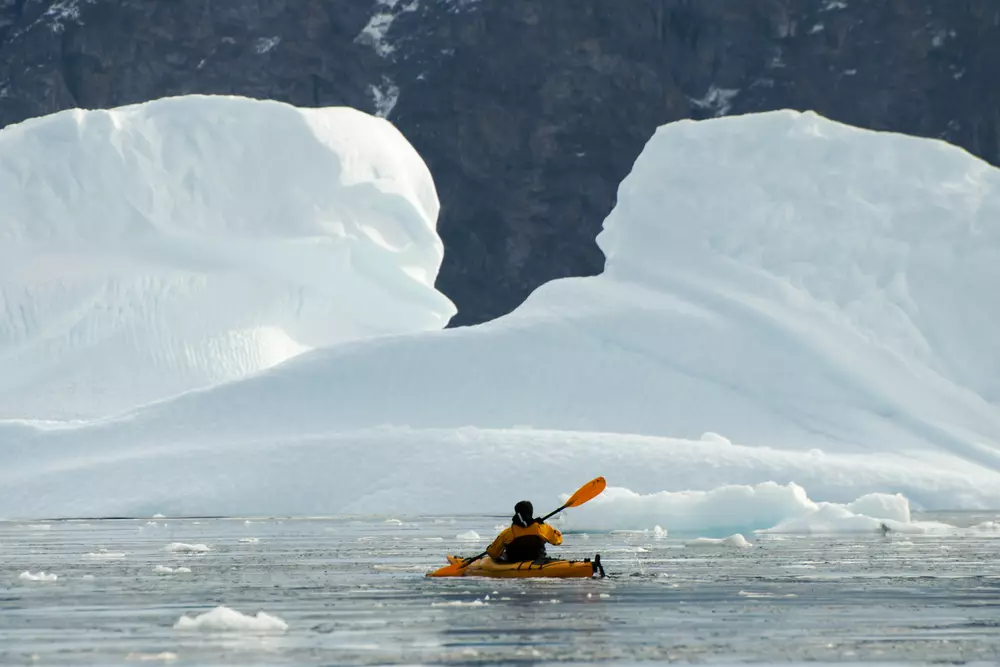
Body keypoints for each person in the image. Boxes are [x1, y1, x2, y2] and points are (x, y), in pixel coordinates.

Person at [485, 500, 563, 563]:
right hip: (538, 562)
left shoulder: (509, 532)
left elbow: (493, 553)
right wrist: (546, 527)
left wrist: (489, 548)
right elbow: (558, 540)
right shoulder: (541, 528)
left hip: (514, 563)